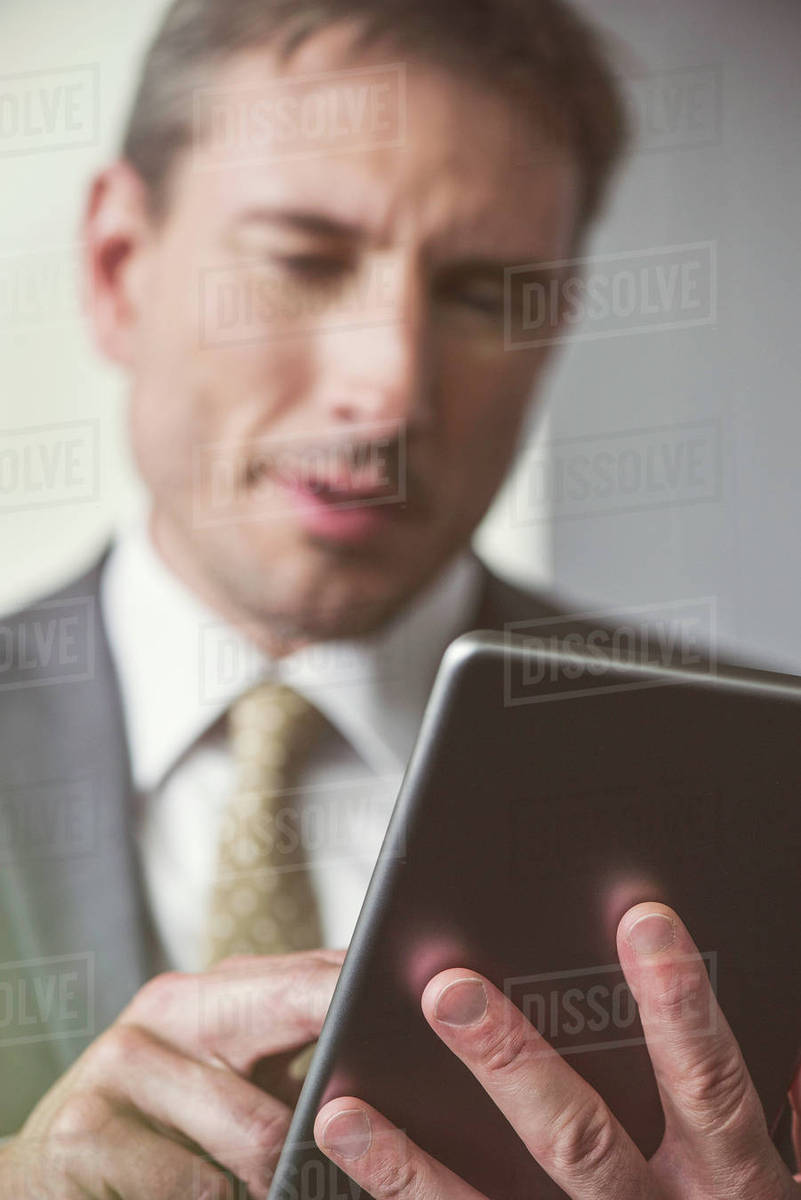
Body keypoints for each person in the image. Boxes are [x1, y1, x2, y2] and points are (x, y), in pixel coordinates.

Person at [0, 0, 798, 1196]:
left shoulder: (763, 790)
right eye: (303, 262)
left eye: (481, 295)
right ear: (119, 266)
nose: (388, 389)